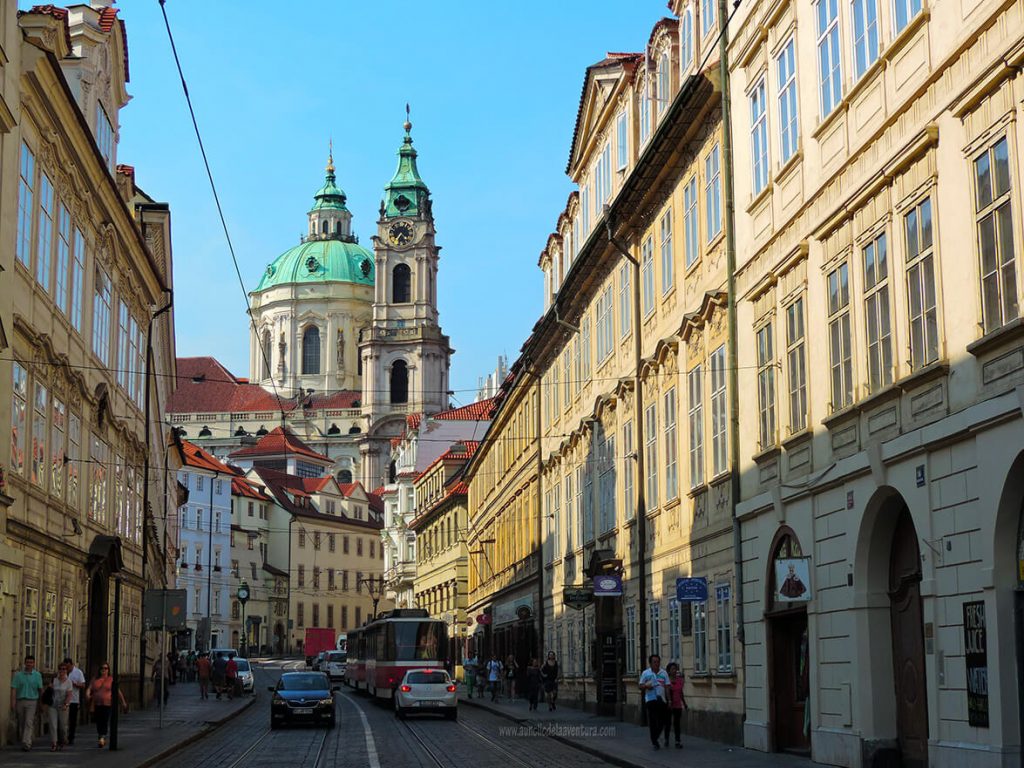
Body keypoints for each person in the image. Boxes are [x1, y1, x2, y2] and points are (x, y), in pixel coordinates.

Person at [86, 662, 127, 748]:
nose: (103, 670)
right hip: (97, 703)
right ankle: (101, 736)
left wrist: (123, 702)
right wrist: (87, 694)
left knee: (104, 720)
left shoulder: (111, 679)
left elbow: (118, 691)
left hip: (107, 704)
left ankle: (102, 737)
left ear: (108, 670)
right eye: (102, 668)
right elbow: (89, 688)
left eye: (106, 668)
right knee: (98, 721)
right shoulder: (95, 679)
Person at [10, 654, 44, 751]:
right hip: (20, 700)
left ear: (34, 664)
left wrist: (41, 703)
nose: (29, 664)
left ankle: (26, 743)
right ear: (25, 663)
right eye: (27, 662)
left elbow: (40, 690)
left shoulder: (37, 675)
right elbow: (14, 689)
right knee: (22, 722)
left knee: (29, 722)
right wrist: (13, 702)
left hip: (32, 701)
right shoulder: (18, 675)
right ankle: (27, 739)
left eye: (31, 662)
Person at [639, 654, 670, 750]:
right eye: (654, 662)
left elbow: (667, 686)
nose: (656, 663)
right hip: (651, 699)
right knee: (653, 720)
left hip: (661, 699)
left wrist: (669, 700)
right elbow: (640, 686)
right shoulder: (646, 673)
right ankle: (654, 742)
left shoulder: (664, 673)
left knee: (662, 721)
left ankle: (655, 736)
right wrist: (646, 686)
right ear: (650, 663)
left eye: (658, 661)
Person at [47, 662, 74, 751]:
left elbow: (69, 695)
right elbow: (48, 692)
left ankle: (62, 741)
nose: (62, 671)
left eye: (64, 669)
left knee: (63, 726)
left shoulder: (69, 682)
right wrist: (49, 687)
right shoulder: (54, 680)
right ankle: (54, 743)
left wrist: (66, 704)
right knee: (53, 725)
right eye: (60, 669)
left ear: (67, 671)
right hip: (53, 705)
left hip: (63, 706)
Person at [664, 662, 688, 748]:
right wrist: (669, 701)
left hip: (678, 705)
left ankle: (677, 741)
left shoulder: (679, 680)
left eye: (675, 669)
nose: (674, 671)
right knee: (668, 723)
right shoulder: (667, 681)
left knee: (677, 724)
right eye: (672, 669)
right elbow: (666, 692)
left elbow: (681, 692)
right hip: (669, 705)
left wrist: (684, 703)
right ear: (669, 671)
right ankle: (666, 739)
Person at [64, 656, 86, 746]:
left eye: (68, 667)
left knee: (72, 720)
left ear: (72, 665)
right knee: (63, 720)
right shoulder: (62, 672)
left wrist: (76, 684)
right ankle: (63, 737)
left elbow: (83, 685)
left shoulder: (78, 672)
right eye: (66, 667)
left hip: (74, 700)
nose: (67, 669)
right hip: (64, 699)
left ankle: (71, 737)